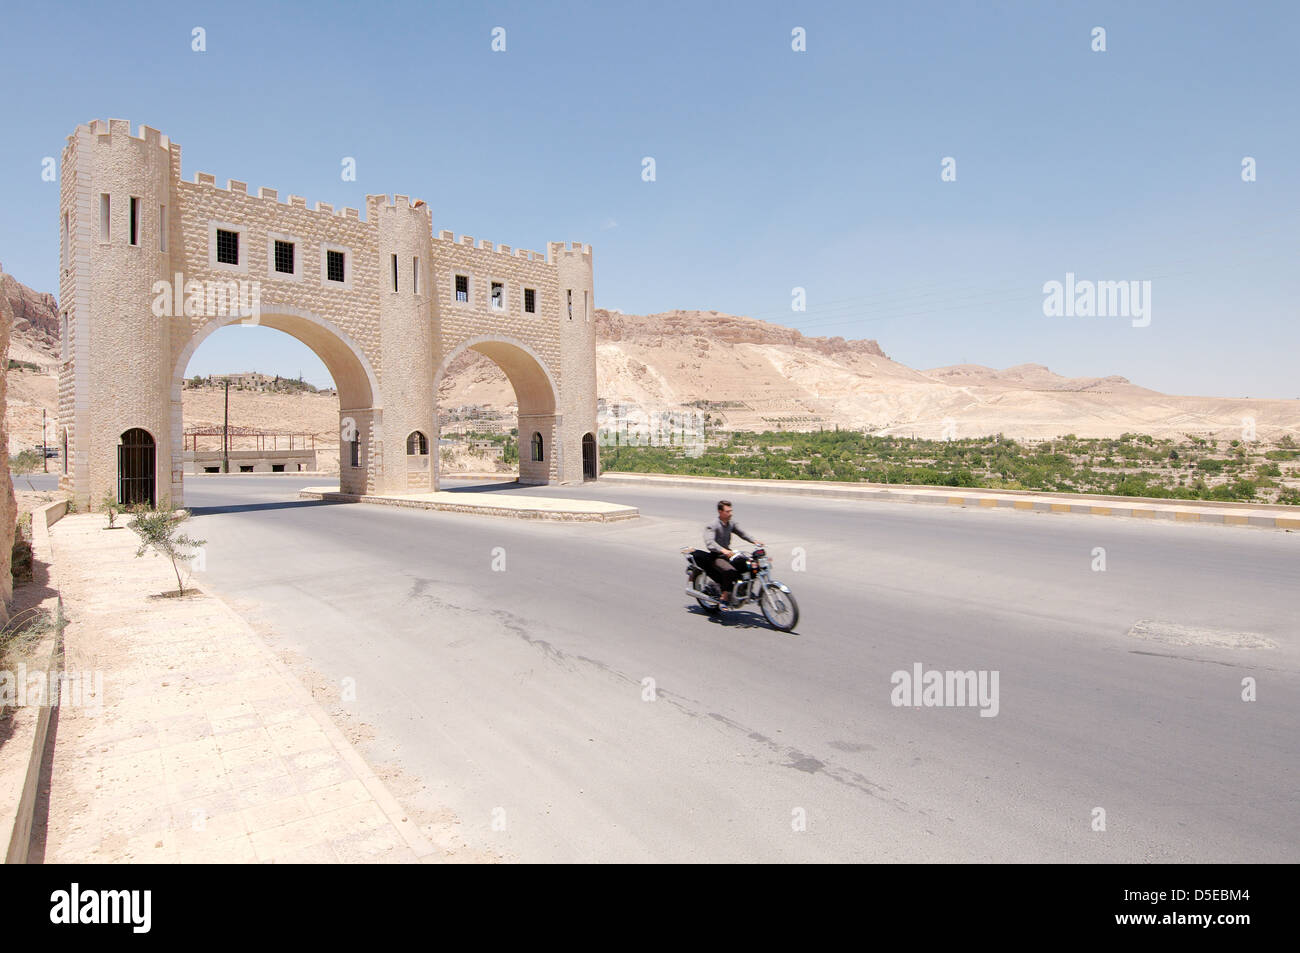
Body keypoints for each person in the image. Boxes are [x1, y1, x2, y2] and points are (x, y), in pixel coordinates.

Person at [697, 500, 763, 606]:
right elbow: (710, 542)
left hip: (729, 554)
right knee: (730, 571)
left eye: (731, 511)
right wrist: (723, 550)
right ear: (720, 512)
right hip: (716, 556)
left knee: (751, 566)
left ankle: (746, 590)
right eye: (727, 511)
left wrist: (754, 541)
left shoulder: (730, 523)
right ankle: (724, 596)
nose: (730, 513)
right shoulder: (712, 525)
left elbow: (742, 533)